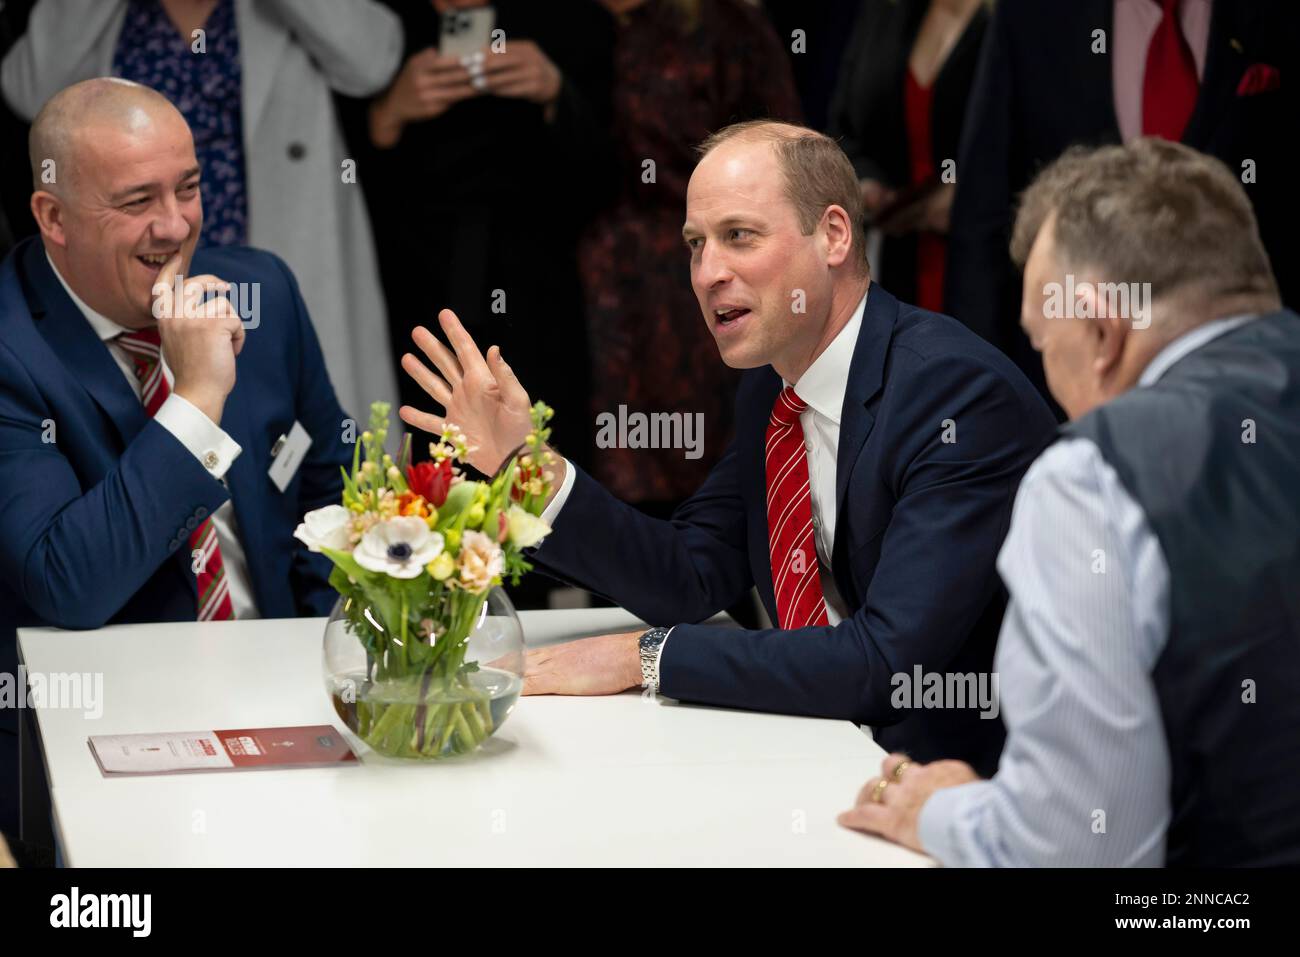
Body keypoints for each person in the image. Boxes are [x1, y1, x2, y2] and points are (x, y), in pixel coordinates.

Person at [400, 121, 1057, 779]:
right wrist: (526, 469)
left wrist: (647, 655)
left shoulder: (952, 394)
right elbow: (689, 572)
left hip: (955, 792)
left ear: (832, 235)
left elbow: (887, 662)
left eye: (739, 236)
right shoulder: (772, 390)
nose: (708, 272)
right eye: (695, 244)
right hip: (810, 759)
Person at [840, 138, 1300, 867]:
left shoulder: (1094, 476)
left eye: (1043, 343)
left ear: (1100, 329)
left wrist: (945, 812)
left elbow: (1077, 846)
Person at [0, 79, 352, 837]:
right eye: (136, 202)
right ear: (52, 216)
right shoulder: (8, 347)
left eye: (188, 188)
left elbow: (334, 502)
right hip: (100, 738)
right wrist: (193, 402)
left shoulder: (264, 291)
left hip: (290, 714)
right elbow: (68, 581)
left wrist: (337, 680)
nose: (175, 226)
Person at [2, 0, 405, 420]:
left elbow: (374, 61)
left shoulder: (269, 281)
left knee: (282, 434)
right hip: (130, 279)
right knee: (152, 418)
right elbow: (27, 88)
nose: (174, 222)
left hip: (270, 250)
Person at [944, 0, 1299, 409]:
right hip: (1067, 387)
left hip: (1248, 385)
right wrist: (979, 395)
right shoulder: (1031, 14)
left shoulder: (1276, 16)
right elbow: (982, 214)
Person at [359, 0, 614, 470]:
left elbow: (609, 178)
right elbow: (338, 185)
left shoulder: (570, 20)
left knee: (542, 448)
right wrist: (388, 114)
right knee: (424, 455)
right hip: (410, 280)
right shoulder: (377, 25)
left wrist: (557, 93)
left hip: (536, 287)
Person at [581, 0, 801, 506]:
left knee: (708, 474)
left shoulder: (726, 25)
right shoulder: (567, 24)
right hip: (595, 287)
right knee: (608, 477)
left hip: (696, 272)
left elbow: (787, 156)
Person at [828, 0, 988, 312]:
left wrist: (973, 197)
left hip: (986, 262)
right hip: (900, 257)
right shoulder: (885, 11)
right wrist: (866, 182)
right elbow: (844, 128)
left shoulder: (1011, 18)